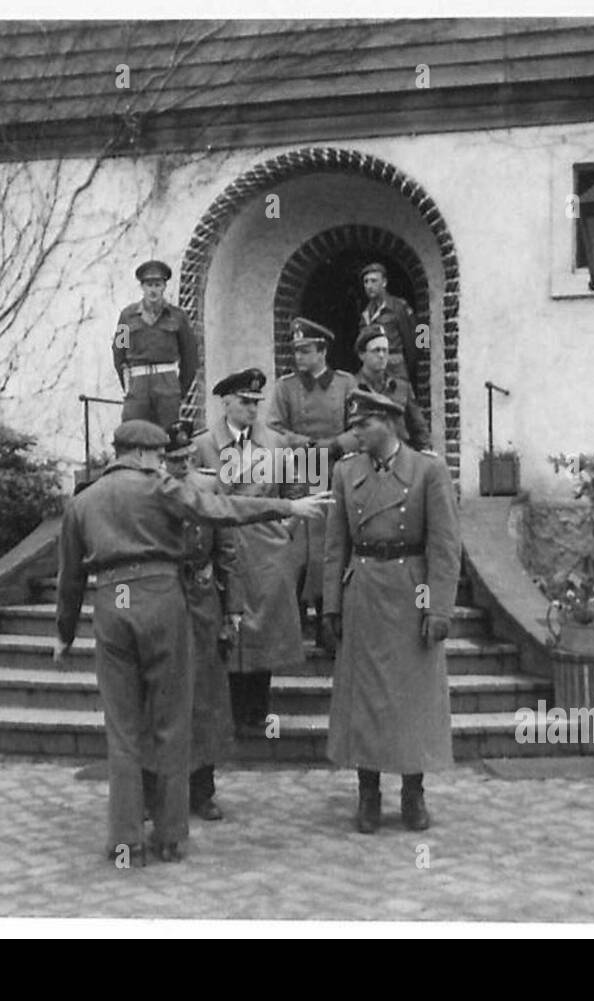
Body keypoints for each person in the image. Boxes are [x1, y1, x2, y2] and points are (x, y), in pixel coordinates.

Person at [55, 419, 328, 866]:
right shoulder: (160, 489)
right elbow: (220, 509)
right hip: (162, 600)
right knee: (171, 721)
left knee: (123, 729)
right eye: (159, 456)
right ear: (142, 455)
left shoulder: (82, 502)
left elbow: (69, 579)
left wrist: (64, 636)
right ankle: (170, 835)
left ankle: (125, 839)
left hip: (110, 605)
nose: (163, 464)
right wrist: (286, 508)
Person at [323, 389, 461, 833]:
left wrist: (439, 606)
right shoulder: (346, 473)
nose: (355, 434)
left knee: (412, 696)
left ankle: (413, 792)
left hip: (410, 589)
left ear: (388, 422)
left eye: (363, 425)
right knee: (364, 698)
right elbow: (334, 545)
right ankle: (367, 793)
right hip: (363, 589)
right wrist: (330, 606)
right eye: (354, 425)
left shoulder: (427, 471)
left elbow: (444, 545)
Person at [194, 368, 304, 737]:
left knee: (265, 630)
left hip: (266, 548)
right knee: (227, 625)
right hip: (225, 546)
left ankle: (258, 711)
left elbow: (295, 493)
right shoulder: (204, 445)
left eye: (257, 402)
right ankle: (228, 711)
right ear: (225, 403)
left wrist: (284, 532)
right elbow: (193, 497)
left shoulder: (277, 443)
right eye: (244, 402)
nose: (252, 408)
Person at [141, 420, 241, 822]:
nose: (180, 466)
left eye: (185, 459)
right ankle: (154, 793)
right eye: (172, 459)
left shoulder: (210, 490)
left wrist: (232, 610)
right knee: (157, 695)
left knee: (205, 698)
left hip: (201, 603)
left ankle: (202, 790)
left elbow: (228, 554)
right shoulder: (147, 496)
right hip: (162, 599)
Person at [267, 317, 359, 647]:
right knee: (302, 547)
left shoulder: (347, 384)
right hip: (302, 467)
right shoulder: (286, 387)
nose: (299, 358)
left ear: (322, 352)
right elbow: (274, 427)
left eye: (305, 351)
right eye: (296, 351)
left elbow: (361, 426)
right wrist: (303, 443)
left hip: (339, 467)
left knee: (330, 546)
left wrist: (335, 445)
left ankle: (329, 620)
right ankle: (296, 620)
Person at [112, 260, 198, 428]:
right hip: (138, 385)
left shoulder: (177, 317)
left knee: (168, 436)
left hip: (167, 384)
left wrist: (179, 390)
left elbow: (190, 356)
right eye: (149, 285)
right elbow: (118, 352)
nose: (153, 290)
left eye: (157, 284)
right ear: (142, 287)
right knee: (132, 433)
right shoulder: (127, 316)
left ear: (164, 287)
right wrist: (129, 386)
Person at [355, 324, 432, 451]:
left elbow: (419, 429)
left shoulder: (401, 387)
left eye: (385, 350)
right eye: (376, 350)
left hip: (400, 460)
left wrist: (425, 456)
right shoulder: (351, 386)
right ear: (362, 355)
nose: (381, 355)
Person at [358, 261, 419, 387]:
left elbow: (414, 338)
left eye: (374, 281)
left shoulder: (399, 307)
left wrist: (411, 366)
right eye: (366, 282)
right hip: (372, 371)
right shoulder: (365, 314)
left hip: (395, 368)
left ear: (384, 283)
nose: (369, 286)